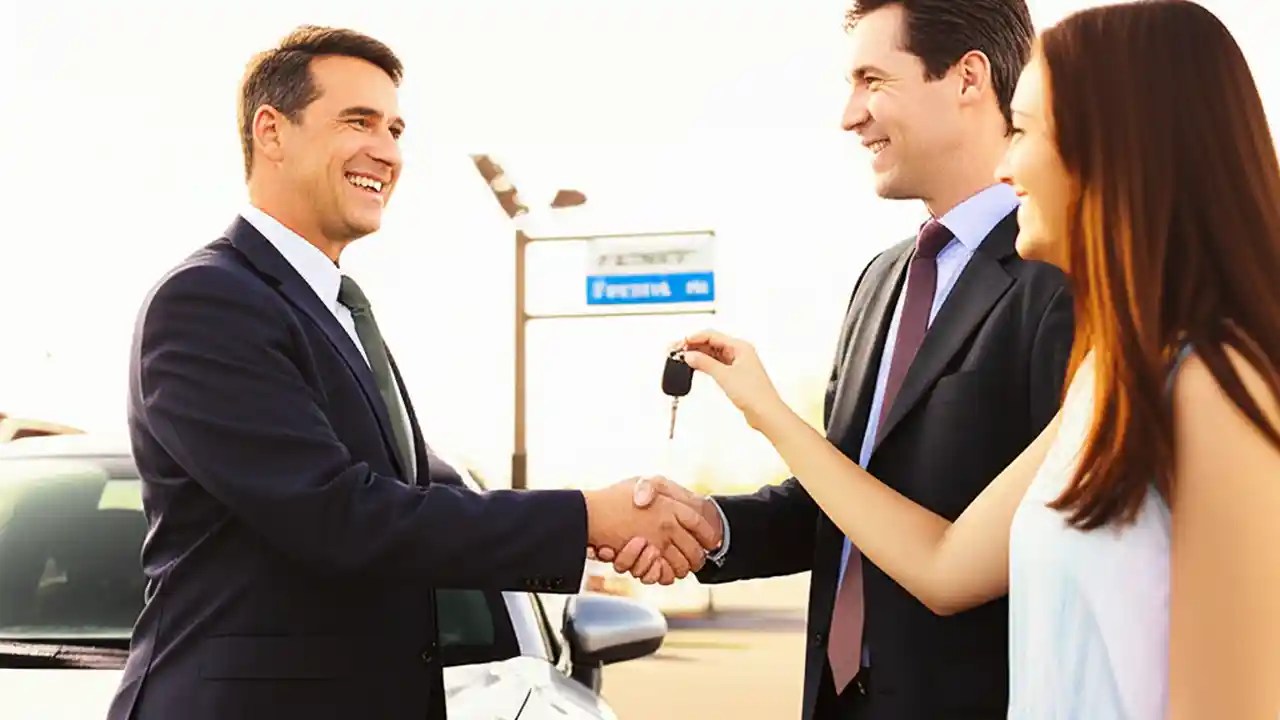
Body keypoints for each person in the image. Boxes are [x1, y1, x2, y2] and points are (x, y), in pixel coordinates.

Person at [657, 1, 1280, 718]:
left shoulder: (1215, 384)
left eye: (1023, 130)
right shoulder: (1110, 383)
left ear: (1116, 147)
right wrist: (764, 413)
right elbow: (942, 565)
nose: (1007, 162)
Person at [107, 26, 716, 720]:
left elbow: (425, 493)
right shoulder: (208, 301)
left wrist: (613, 514)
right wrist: (584, 518)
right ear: (271, 132)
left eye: (396, 129)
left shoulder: (335, 310)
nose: (388, 151)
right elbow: (341, 516)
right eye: (358, 121)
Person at [602, 1, 1072, 717]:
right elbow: (846, 493)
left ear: (968, 77)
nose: (849, 115)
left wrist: (768, 412)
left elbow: (1056, 541)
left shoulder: (1066, 276)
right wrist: (710, 526)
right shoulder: (881, 280)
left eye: (872, 80)